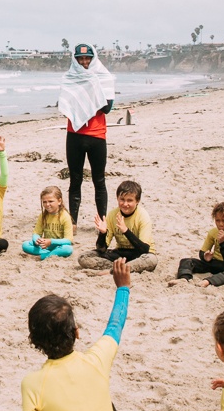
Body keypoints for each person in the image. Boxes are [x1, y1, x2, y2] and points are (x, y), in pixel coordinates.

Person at [22, 259, 139, 411]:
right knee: (104, 401)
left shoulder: (32, 384)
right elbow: (115, 326)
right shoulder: (96, 359)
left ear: (34, 340)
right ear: (76, 332)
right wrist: (123, 287)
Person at [59, 43, 114, 231]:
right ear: (75, 59)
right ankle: (73, 222)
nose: (84, 62)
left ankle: (103, 221)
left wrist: (92, 86)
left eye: (87, 58)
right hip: (74, 135)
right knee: (75, 180)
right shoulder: (69, 78)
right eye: (80, 58)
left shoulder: (103, 77)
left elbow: (107, 107)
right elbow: (65, 104)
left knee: (99, 180)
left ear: (93, 58)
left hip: (97, 135)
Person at [78, 179, 157, 272]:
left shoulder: (143, 216)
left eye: (130, 200)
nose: (125, 204)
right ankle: (118, 268)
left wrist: (126, 231)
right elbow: (101, 249)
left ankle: (116, 269)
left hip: (140, 255)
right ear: (117, 198)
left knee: (151, 260)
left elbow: (144, 249)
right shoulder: (112, 215)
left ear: (137, 201)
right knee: (83, 257)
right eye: (122, 200)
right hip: (121, 253)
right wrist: (103, 233)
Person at [175, 201, 224, 287]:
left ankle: (207, 282)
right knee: (186, 261)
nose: (220, 224)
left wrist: (223, 243)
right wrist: (205, 257)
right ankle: (184, 278)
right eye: (217, 220)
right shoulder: (213, 232)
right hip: (215, 263)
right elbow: (202, 252)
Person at [21, 185, 74, 259]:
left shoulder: (65, 216)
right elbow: (36, 233)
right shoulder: (43, 215)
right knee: (25, 245)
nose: (47, 204)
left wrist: (51, 241)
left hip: (59, 246)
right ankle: (50, 254)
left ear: (59, 201)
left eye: (51, 201)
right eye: (44, 202)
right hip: (45, 246)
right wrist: (36, 240)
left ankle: (44, 256)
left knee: (68, 249)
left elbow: (68, 240)